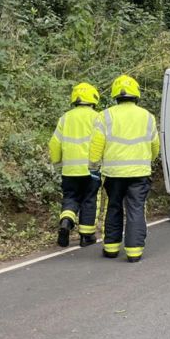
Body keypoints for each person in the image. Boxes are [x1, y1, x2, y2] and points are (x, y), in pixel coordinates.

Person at [89, 75, 159, 262]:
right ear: (136, 94)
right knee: (135, 209)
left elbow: (96, 144)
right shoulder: (147, 117)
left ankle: (111, 248)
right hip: (139, 173)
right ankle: (134, 252)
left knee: (114, 207)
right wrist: (148, 160)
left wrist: (93, 166)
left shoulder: (105, 116)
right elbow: (155, 145)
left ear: (115, 95)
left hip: (113, 174)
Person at [49, 83, 103, 247]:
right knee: (89, 199)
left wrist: (58, 162)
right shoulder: (98, 117)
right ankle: (86, 236)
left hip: (70, 169)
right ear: (93, 98)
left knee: (70, 197)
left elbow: (54, 143)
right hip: (91, 169)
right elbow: (102, 142)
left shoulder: (65, 118)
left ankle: (66, 220)